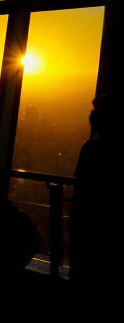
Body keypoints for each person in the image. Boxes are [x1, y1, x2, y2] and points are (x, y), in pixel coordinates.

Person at [69, 94, 118, 285]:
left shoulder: (90, 148)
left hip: (86, 219)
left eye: (96, 111)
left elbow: (80, 181)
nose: (91, 114)